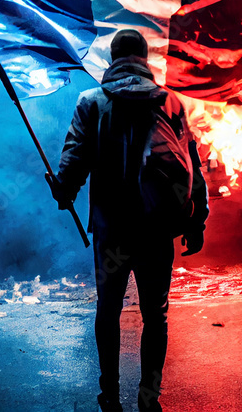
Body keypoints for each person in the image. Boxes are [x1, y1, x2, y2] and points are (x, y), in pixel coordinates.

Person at [46, 29, 208, 412]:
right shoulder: (169, 103)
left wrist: (63, 190)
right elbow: (193, 166)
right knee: (156, 316)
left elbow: (73, 165)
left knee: (109, 311)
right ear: (144, 57)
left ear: (113, 59)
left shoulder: (92, 102)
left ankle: (110, 394)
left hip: (112, 231)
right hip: (156, 231)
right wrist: (196, 221)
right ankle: (149, 397)